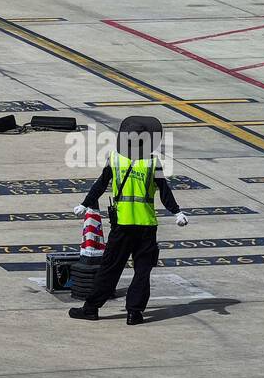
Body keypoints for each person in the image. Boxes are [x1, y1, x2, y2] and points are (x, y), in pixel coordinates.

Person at [68, 116, 188, 325]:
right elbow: (164, 191)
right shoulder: (152, 162)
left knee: (110, 268)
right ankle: (135, 313)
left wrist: (85, 204)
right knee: (142, 271)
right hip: (146, 226)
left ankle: (91, 309)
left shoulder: (115, 158)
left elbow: (100, 184)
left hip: (122, 225)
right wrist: (176, 212)